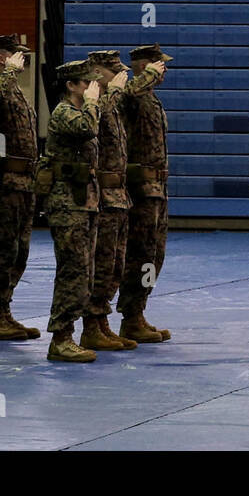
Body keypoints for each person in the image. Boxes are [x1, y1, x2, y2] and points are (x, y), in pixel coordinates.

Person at [80, 50, 150, 351]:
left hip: (119, 195)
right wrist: (114, 92)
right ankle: (90, 325)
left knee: (114, 265)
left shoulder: (114, 105)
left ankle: (103, 321)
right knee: (101, 263)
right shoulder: (95, 105)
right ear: (97, 74)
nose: (121, 77)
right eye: (115, 72)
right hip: (103, 197)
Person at [0, 35, 41, 341]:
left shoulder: (16, 91)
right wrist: (7, 72)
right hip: (5, 184)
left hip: (24, 185)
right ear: (3, 59)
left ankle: (4, 310)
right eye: (17, 55)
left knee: (19, 251)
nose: (23, 60)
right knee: (2, 250)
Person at [42, 60, 102, 363]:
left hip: (84, 200)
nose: (92, 87)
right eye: (86, 82)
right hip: (67, 203)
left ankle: (70, 334)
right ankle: (60, 337)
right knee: (72, 271)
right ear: (71, 85)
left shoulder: (81, 111)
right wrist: (92, 104)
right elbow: (87, 129)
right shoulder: (65, 113)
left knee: (84, 271)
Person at [119, 44, 172, 343]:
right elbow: (128, 94)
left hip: (156, 190)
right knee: (138, 253)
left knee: (153, 254)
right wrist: (147, 76)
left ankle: (138, 311)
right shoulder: (133, 95)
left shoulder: (151, 100)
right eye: (159, 66)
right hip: (139, 189)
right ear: (145, 68)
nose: (164, 71)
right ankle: (130, 316)